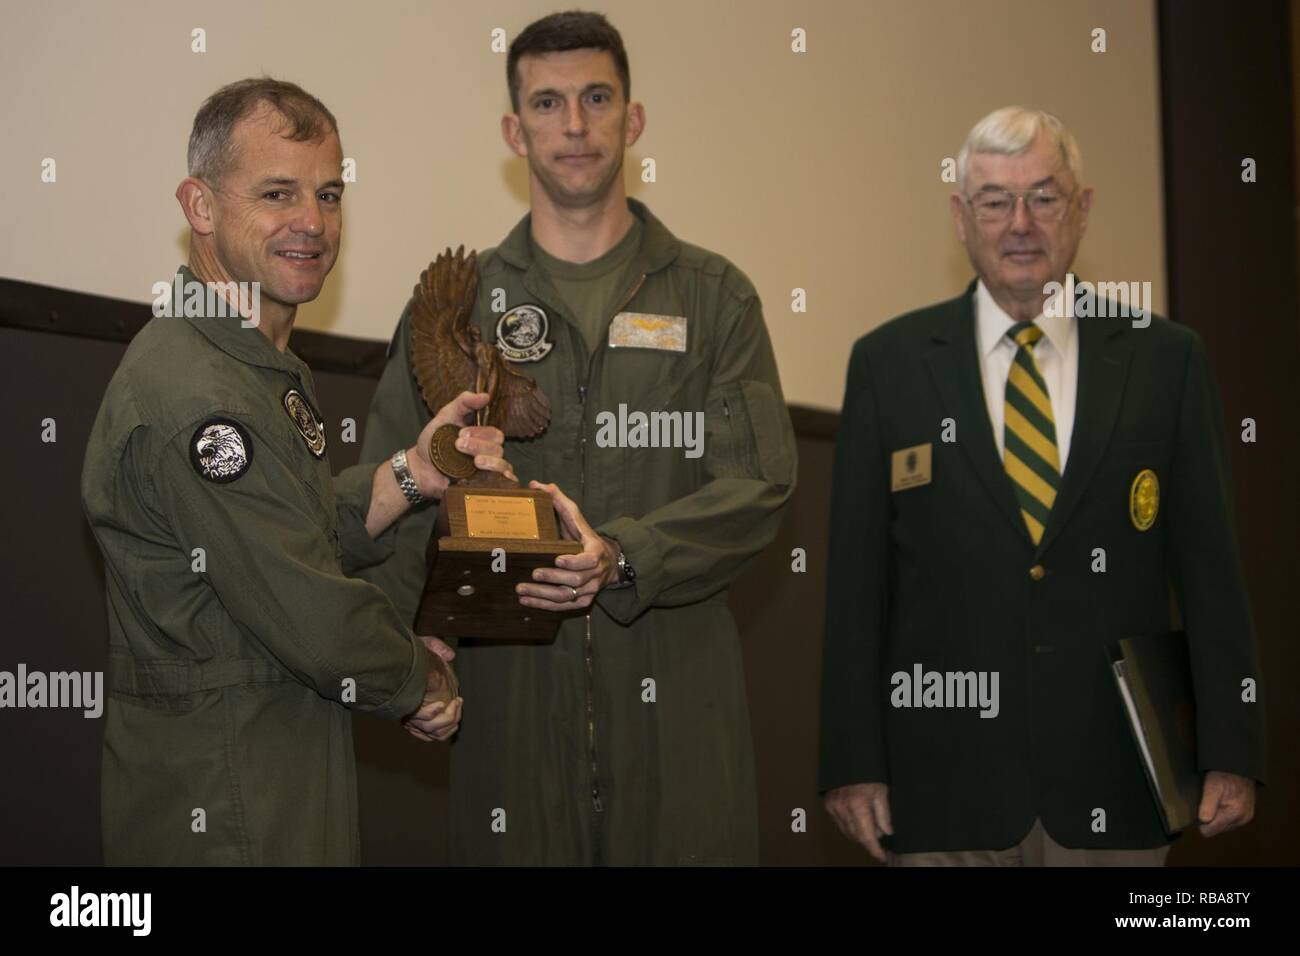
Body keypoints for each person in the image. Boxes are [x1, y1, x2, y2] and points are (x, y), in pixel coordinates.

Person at [357, 11, 797, 865]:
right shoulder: (460, 308)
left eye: (596, 98)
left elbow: (760, 488)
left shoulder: (714, 299)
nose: (574, 124)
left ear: (633, 119)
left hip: (679, 707)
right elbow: (398, 490)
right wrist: (410, 656)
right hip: (510, 712)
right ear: (513, 132)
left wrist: (623, 557)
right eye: (548, 103)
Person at [81, 78, 515, 864]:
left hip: (276, 776)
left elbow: (294, 525)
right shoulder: (197, 395)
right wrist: (421, 678)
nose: (311, 223)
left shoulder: (259, 368)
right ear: (201, 207)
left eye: (329, 193)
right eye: (276, 193)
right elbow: (308, 608)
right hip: (227, 806)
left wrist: (414, 471)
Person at [818, 106, 1265, 866]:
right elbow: (858, 587)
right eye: (994, 200)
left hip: (1118, 784)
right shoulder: (887, 364)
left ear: (1082, 210)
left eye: (1044, 197)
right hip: (942, 791)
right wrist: (851, 762)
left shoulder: (1167, 361)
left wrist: (1232, 748)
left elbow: (1211, 572)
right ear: (961, 218)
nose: (1020, 223)